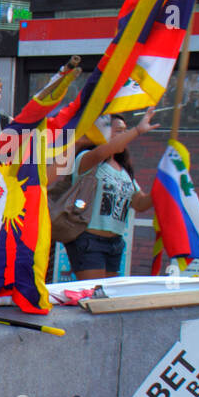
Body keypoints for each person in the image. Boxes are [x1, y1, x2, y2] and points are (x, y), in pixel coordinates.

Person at [59, 113, 155, 280]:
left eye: (125, 131)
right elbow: (101, 153)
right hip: (89, 240)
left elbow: (140, 203)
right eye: (119, 131)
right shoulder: (88, 159)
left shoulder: (124, 170)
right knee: (93, 293)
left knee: (105, 296)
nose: (124, 136)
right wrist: (137, 130)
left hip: (115, 243)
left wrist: (162, 186)